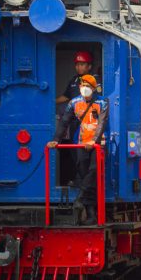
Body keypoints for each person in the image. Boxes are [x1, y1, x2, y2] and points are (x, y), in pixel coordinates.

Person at [48, 74, 108, 225]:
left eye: (87, 86)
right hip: (82, 144)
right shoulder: (74, 103)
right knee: (84, 174)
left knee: (93, 171)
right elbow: (64, 122)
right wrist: (56, 140)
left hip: (98, 144)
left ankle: (80, 199)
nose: (84, 88)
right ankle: (91, 215)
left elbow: (101, 124)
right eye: (82, 86)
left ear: (94, 88)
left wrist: (94, 141)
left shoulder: (103, 102)